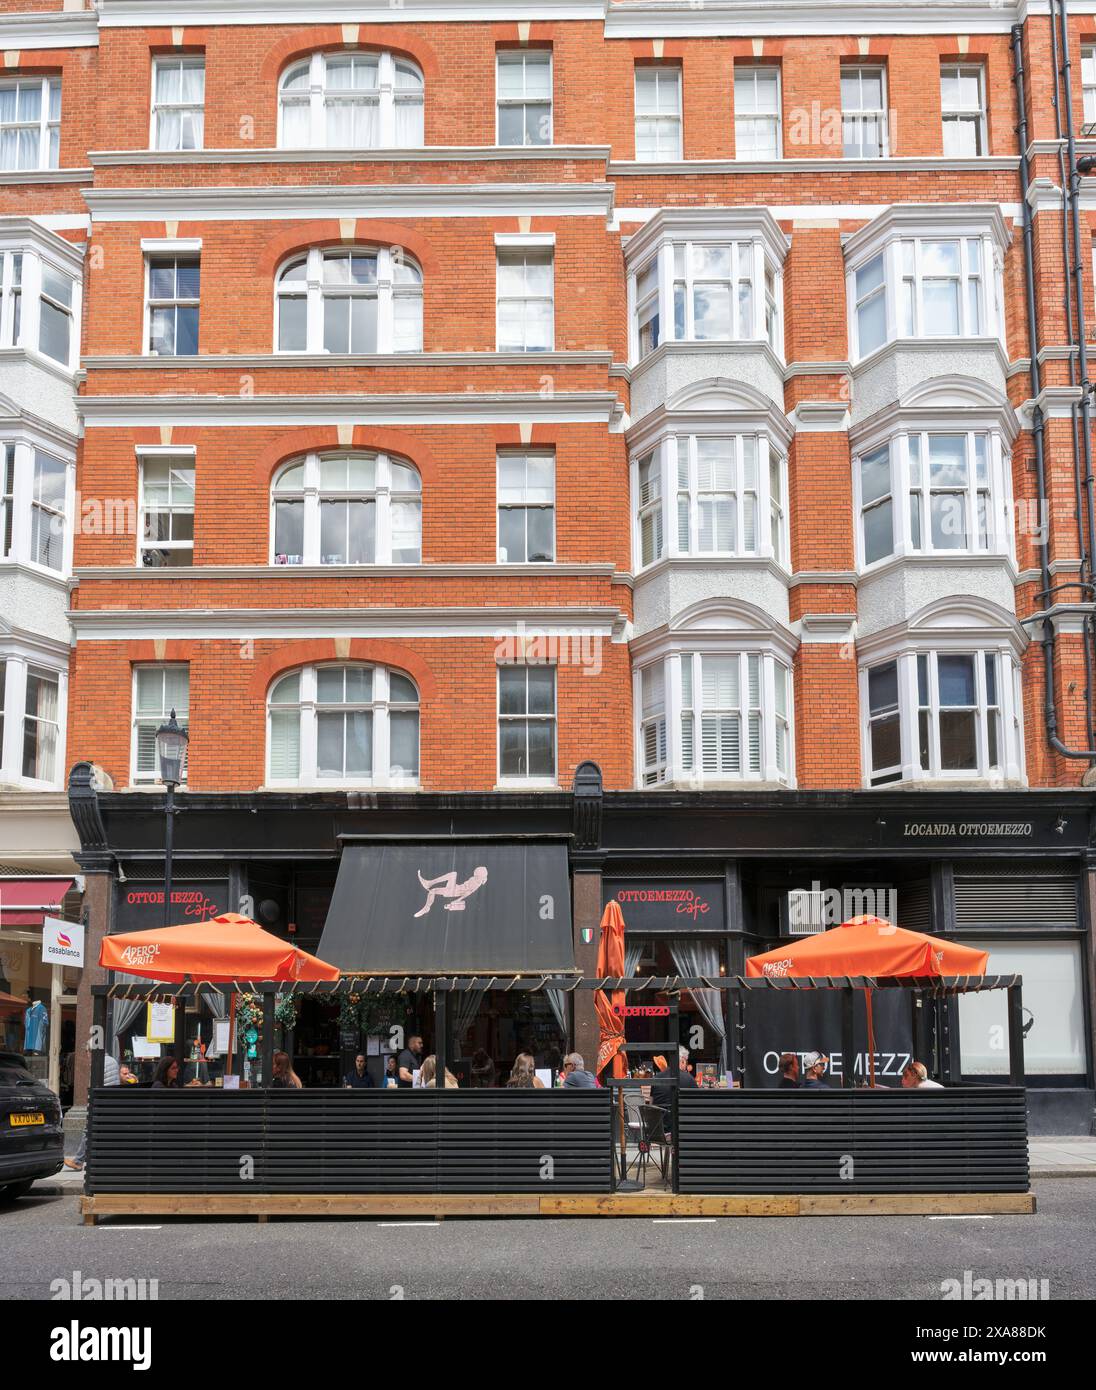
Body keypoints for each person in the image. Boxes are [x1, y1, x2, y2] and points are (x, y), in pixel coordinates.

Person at [64, 1044, 120, 1171]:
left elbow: (93, 1087)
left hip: (101, 1103)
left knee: (87, 1131)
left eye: (87, 1052)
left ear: (91, 1051)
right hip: (112, 1102)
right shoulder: (113, 1061)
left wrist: (90, 1104)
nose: (87, 1055)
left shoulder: (98, 1063)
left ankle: (78, 1161)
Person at [651, 1045, 697, 1133]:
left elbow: (651, 1105)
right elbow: (696, 1105)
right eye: (686, 1062)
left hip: (659, 1131)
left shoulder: (657, 1077)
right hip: (682, 1130)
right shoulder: (689, 1079)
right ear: (683, 1061)